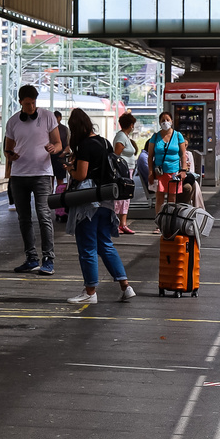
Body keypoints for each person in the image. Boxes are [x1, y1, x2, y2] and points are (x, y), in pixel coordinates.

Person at [63, 108, 135, 306]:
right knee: (105, 244)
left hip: (89, 200)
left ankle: (90, 291)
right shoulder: (104, 141)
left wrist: (70, 168)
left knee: (87, 247)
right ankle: (125, 286)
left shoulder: (84, 145)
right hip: (106, 198)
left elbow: (82, 175)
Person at [4, 85, 61, 276]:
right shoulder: (13, 122)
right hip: (19, 175)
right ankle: (31, 258)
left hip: (42, 173)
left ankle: (48, 258)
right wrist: (10, 157)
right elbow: (8, 148)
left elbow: (59, 143)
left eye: (33, 103)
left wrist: (54, 149)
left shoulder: (47, 116)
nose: (31, 107)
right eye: (27, 104)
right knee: (24, 218)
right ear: (20, 102)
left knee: (44, 215)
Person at [146, 111, 188, 232]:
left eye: (167, 119)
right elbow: (150, 156)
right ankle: (159, 224)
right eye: (163, 120)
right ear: (159, 123)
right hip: (159, 172)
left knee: (172, 199)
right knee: (159, 198)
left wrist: (183, 170)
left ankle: (170, 223)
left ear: (172, 121)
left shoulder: (178, 135)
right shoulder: (155, 137)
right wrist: (150, 172)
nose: (165, 122)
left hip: (174, 172)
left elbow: (183, 155)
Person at [111, 112, 139, 236]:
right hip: (122, 172)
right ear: (131, 125)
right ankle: (115, 224)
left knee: (126, 197)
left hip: (128, 171)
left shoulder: (125, 136)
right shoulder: (121, 136)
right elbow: (116, 154)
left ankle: (123, 224)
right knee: (120, 198)